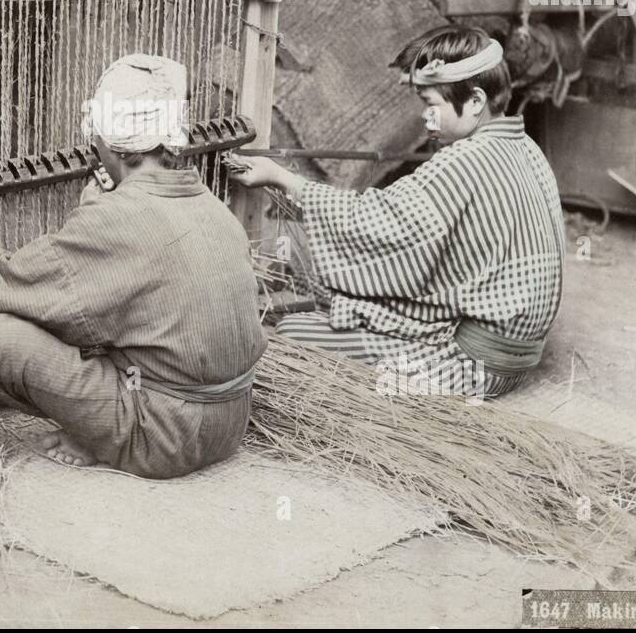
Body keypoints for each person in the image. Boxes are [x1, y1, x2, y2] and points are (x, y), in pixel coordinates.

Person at [0, 53, 266, 478]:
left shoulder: (117, 217)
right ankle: (100, 435)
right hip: (226, 424)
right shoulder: (213, 209)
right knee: (93, 318)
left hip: (163, 435)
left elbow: (15, 283)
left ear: (106, 145)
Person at [232, 26, 564, 398]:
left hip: (472, 365)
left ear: (474, 101)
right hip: (517, 355)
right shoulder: (526, 149)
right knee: (349, 304)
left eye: (431, 104)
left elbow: (374, 222)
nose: (425, 118)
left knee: (295, 332)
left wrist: (280, 177)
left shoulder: (464, 161)